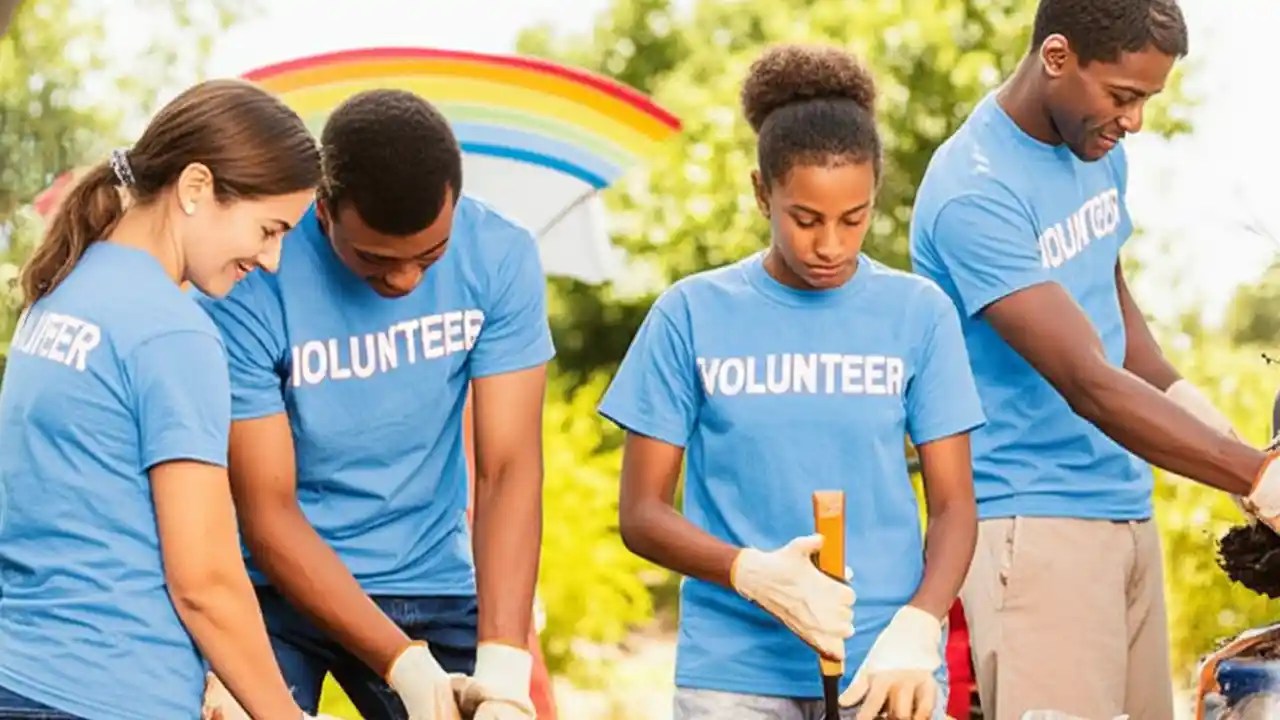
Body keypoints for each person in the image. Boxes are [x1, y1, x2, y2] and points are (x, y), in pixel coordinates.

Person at [909, 1, 1280, 718]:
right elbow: (1086, 380)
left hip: (1122, 509)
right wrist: (1257, 476)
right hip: (1035, 529)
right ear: (1056, 57)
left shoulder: (1094, 154)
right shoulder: (974, 191)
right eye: (1123, 96)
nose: (1134, 121)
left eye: (1145, 99)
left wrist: (1232, 452)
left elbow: (1117, 327)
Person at [598, 44, 986, 720]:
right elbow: (642, 513)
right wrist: (752, 572)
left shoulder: (918, 314)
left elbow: (953, 505)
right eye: (805, 219)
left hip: (882, 668)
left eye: (854, 218)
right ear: (761, 193)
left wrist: (919, 626)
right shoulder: (691, 314)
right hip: (733, 675)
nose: (831, 244)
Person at [196, 88, 553, 720]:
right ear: (324, 209)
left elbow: (508, 468)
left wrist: (502, 666)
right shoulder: (252, 276)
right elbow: (267, 512)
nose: (405, 280)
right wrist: (404, 664)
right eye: (376, 259)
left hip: (430, 577)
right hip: (278, 589)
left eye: (429, 256)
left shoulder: (499, 255)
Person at [0, 79, 328, 719]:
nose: (271, 259)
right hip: (112, 693)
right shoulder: (174, 332)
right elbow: (204, 579)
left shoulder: (62, 293)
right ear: (196, 188)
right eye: (268, 229)